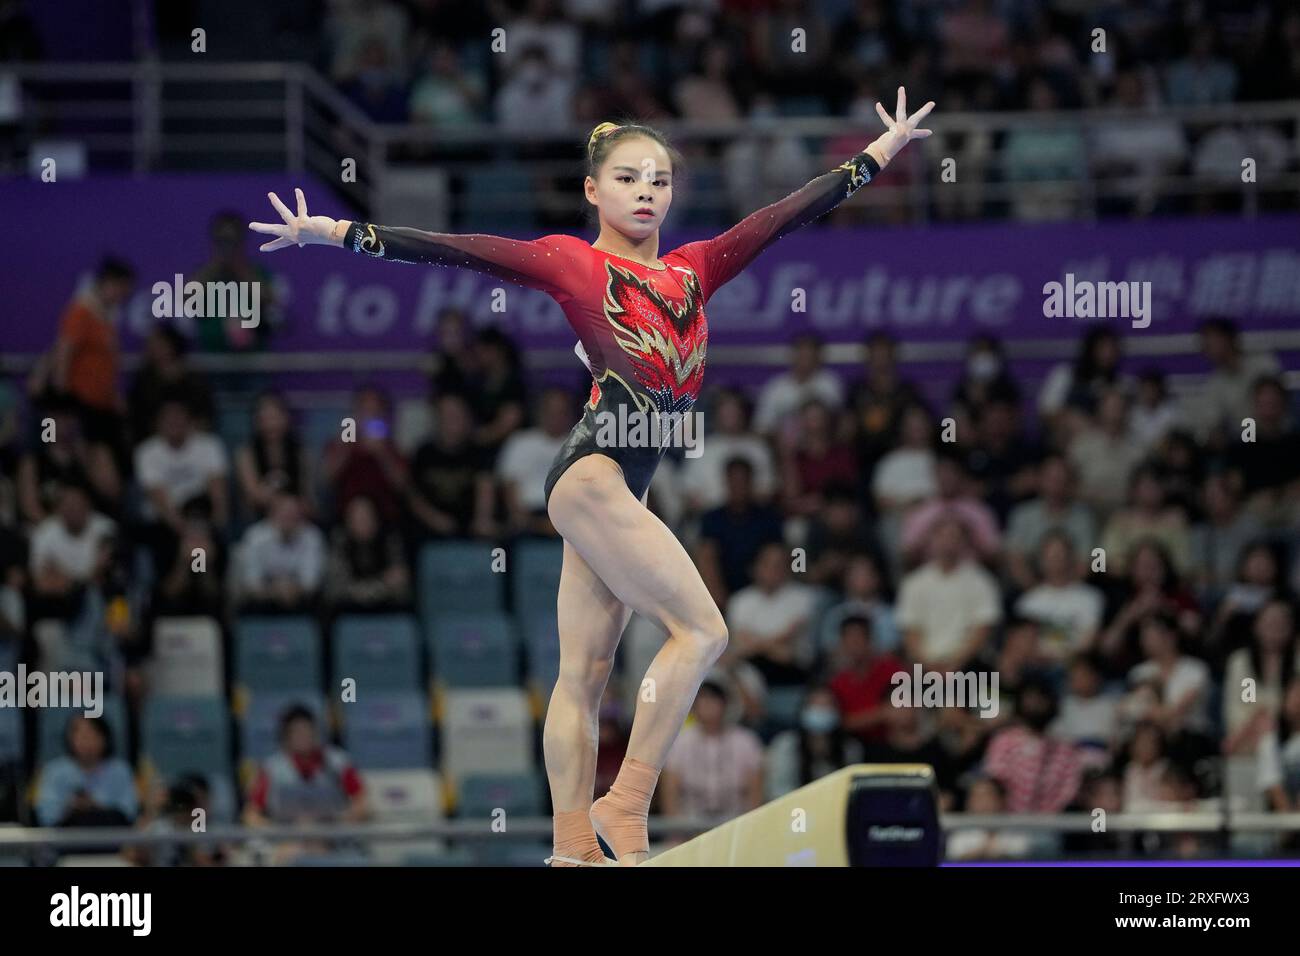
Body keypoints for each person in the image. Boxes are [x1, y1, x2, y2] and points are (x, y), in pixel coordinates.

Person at [250, 89, 936, 866]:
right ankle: (627, 799)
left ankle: (572, 844)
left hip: (618, 487)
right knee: (705, 631)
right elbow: (455, 248)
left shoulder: (695, 268)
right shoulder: (573, 262)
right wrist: (334, 231)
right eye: (629, 178)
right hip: (592, 475)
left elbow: (782, 216)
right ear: (593, 189)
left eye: (660, 179)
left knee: (583, 674)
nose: (647, 191)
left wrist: (877, 155)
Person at [659, 679, 765, 825]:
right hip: (689, 825)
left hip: (735, 823)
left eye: (713, 700)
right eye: (702, 700)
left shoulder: (746, 742)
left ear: (726, 705)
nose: (707, 705)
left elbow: (755, 796)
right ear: (694, 707)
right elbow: (670, 795)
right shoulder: (679, 743)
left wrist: (749, 829)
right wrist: (677, 831)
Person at [35, 716, 138, 827]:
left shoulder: (120, 770)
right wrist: (70, 807)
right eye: (82, 736)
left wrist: (95, 806)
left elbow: (129, 812)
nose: (87, 742)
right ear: (70, 739)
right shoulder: (54, 771)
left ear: (105, 738)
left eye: (92, 735)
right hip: (66, 839)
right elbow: (46, 816)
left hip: (109, 837)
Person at [766, 685, 864, 799]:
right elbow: (777, 790)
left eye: (826, 706)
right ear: (803, 710)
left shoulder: (850, 748)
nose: (820, 711)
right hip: (792, 811)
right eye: (815, 705)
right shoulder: (785, 744)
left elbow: (851, 790)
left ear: (837, 712)